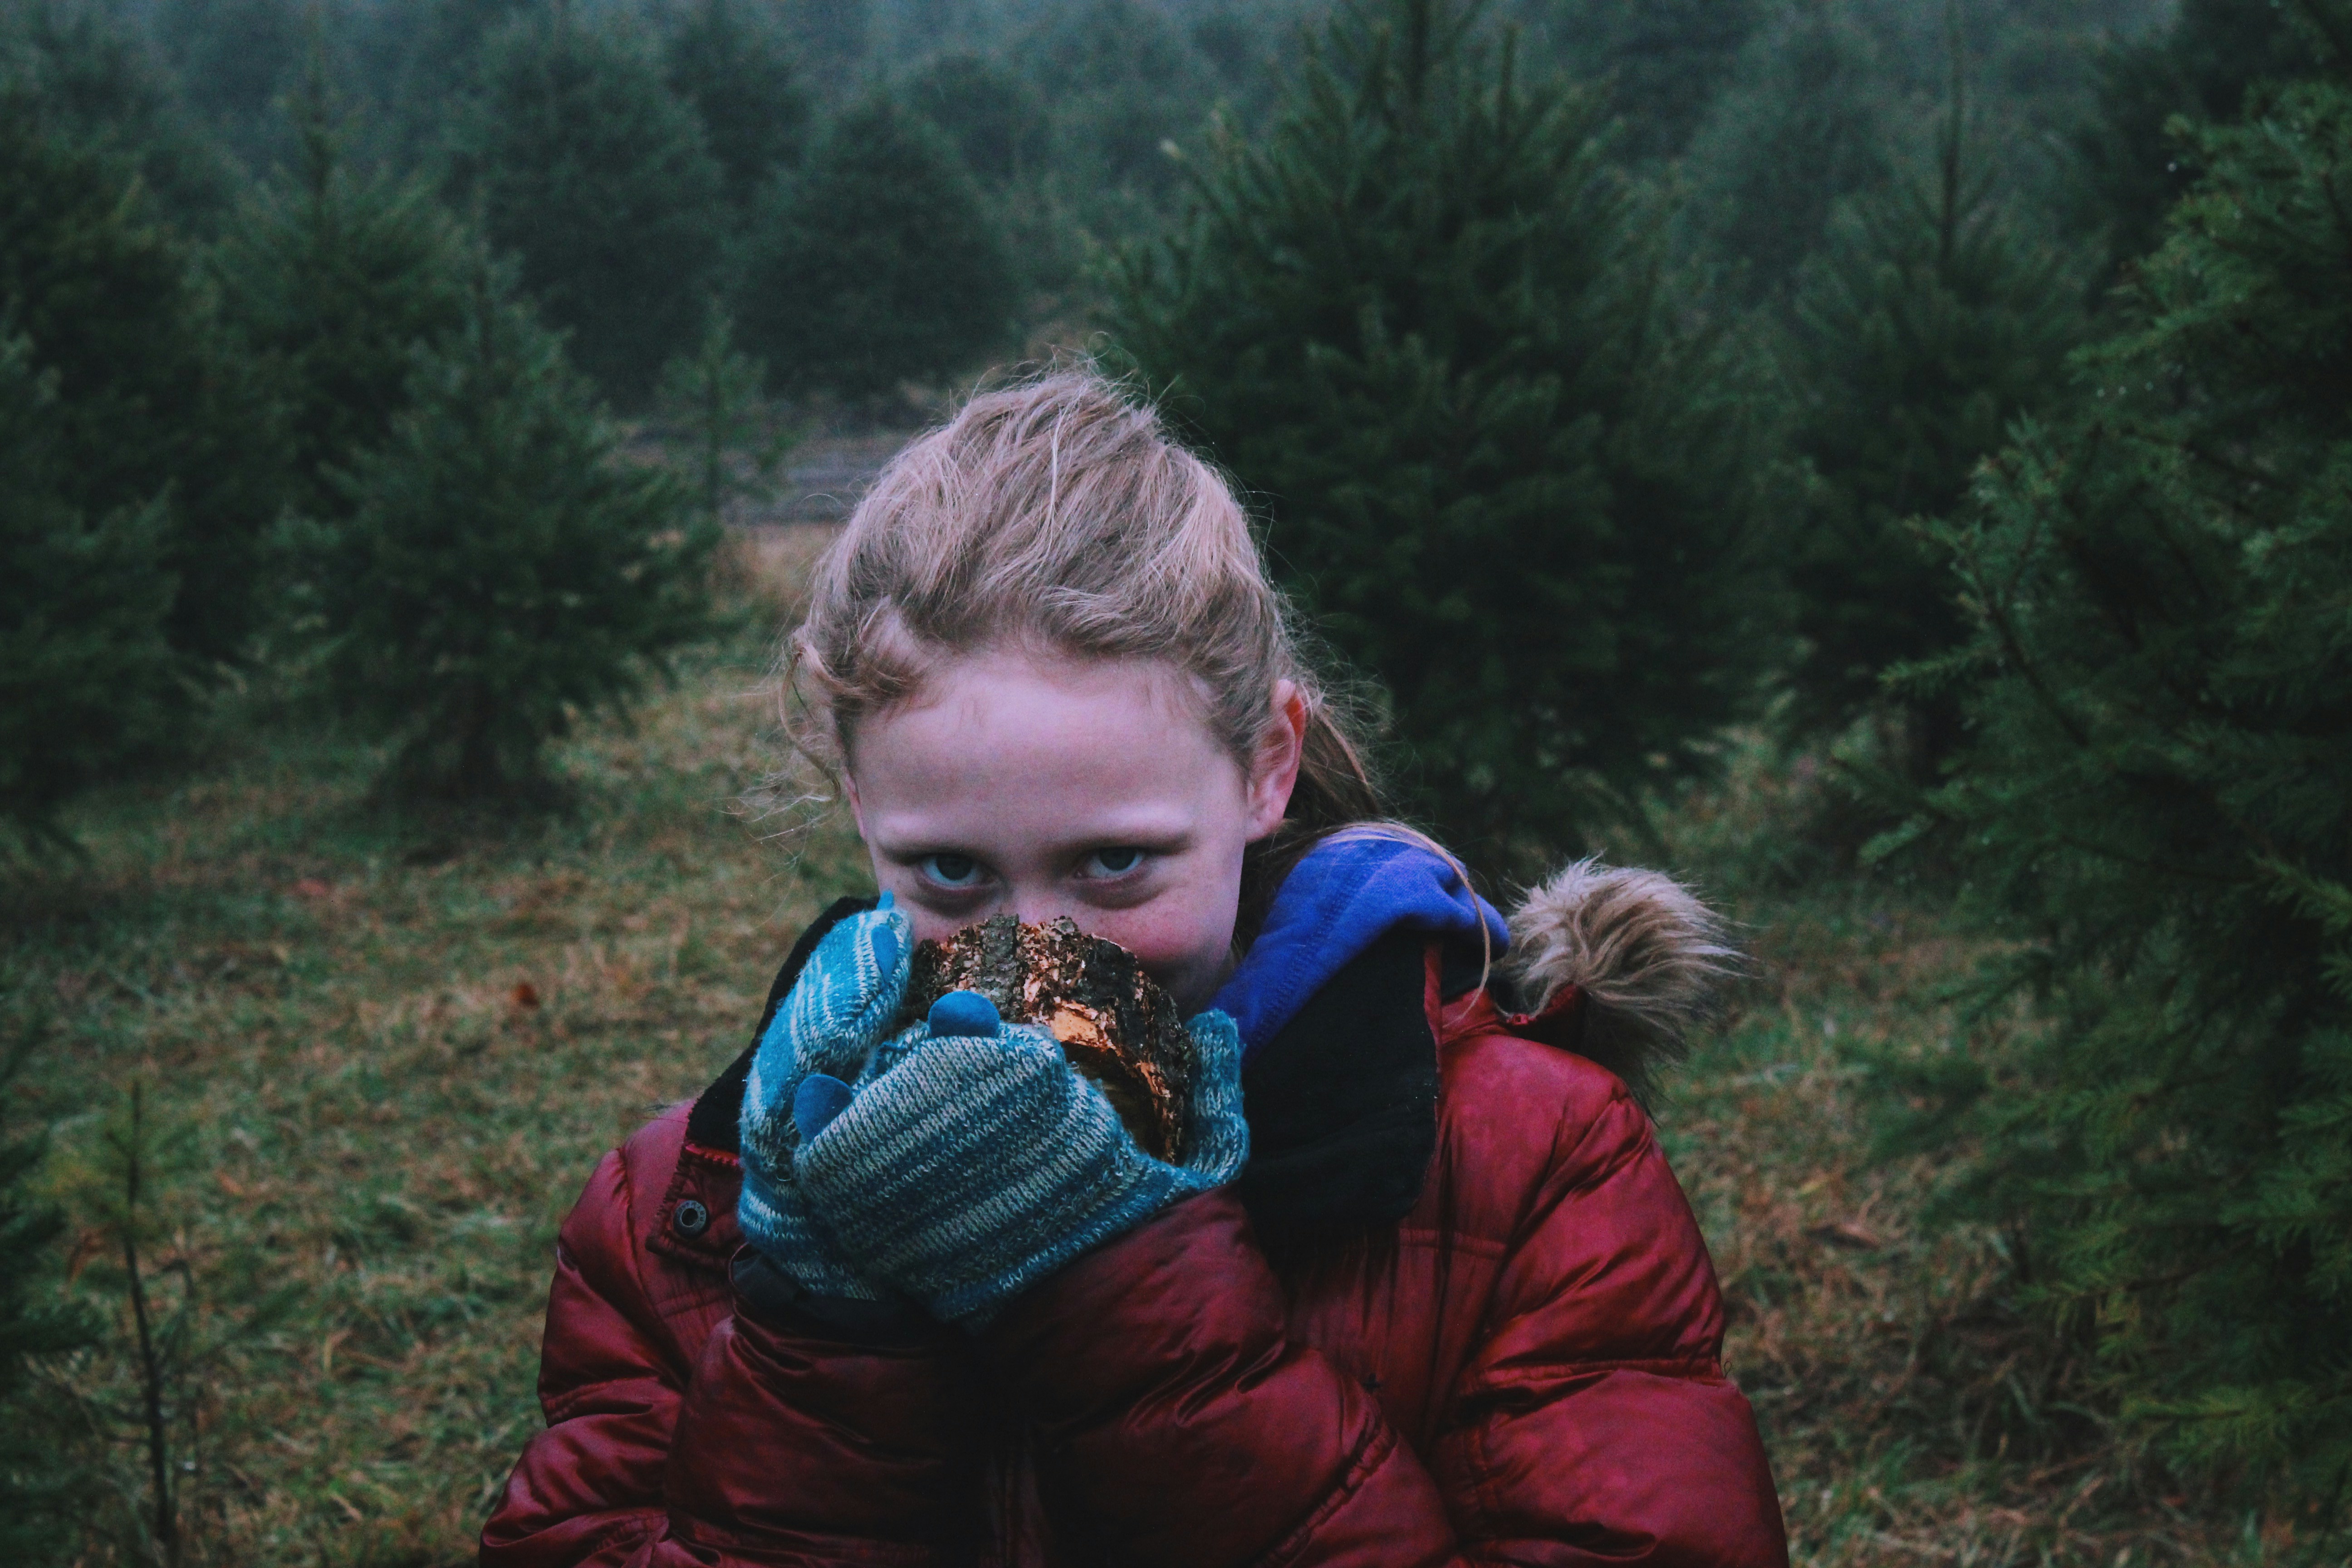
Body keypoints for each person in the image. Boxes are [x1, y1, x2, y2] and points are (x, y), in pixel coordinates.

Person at [480, 372, 1789, 1566]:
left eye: (1114, 866)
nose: (1029, 962)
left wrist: (1127, 1303)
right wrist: (823, 1334)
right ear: (860, 803)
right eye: (951, 876)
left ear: (1270, 764)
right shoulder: (691, 1204)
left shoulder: (1535, 1167)